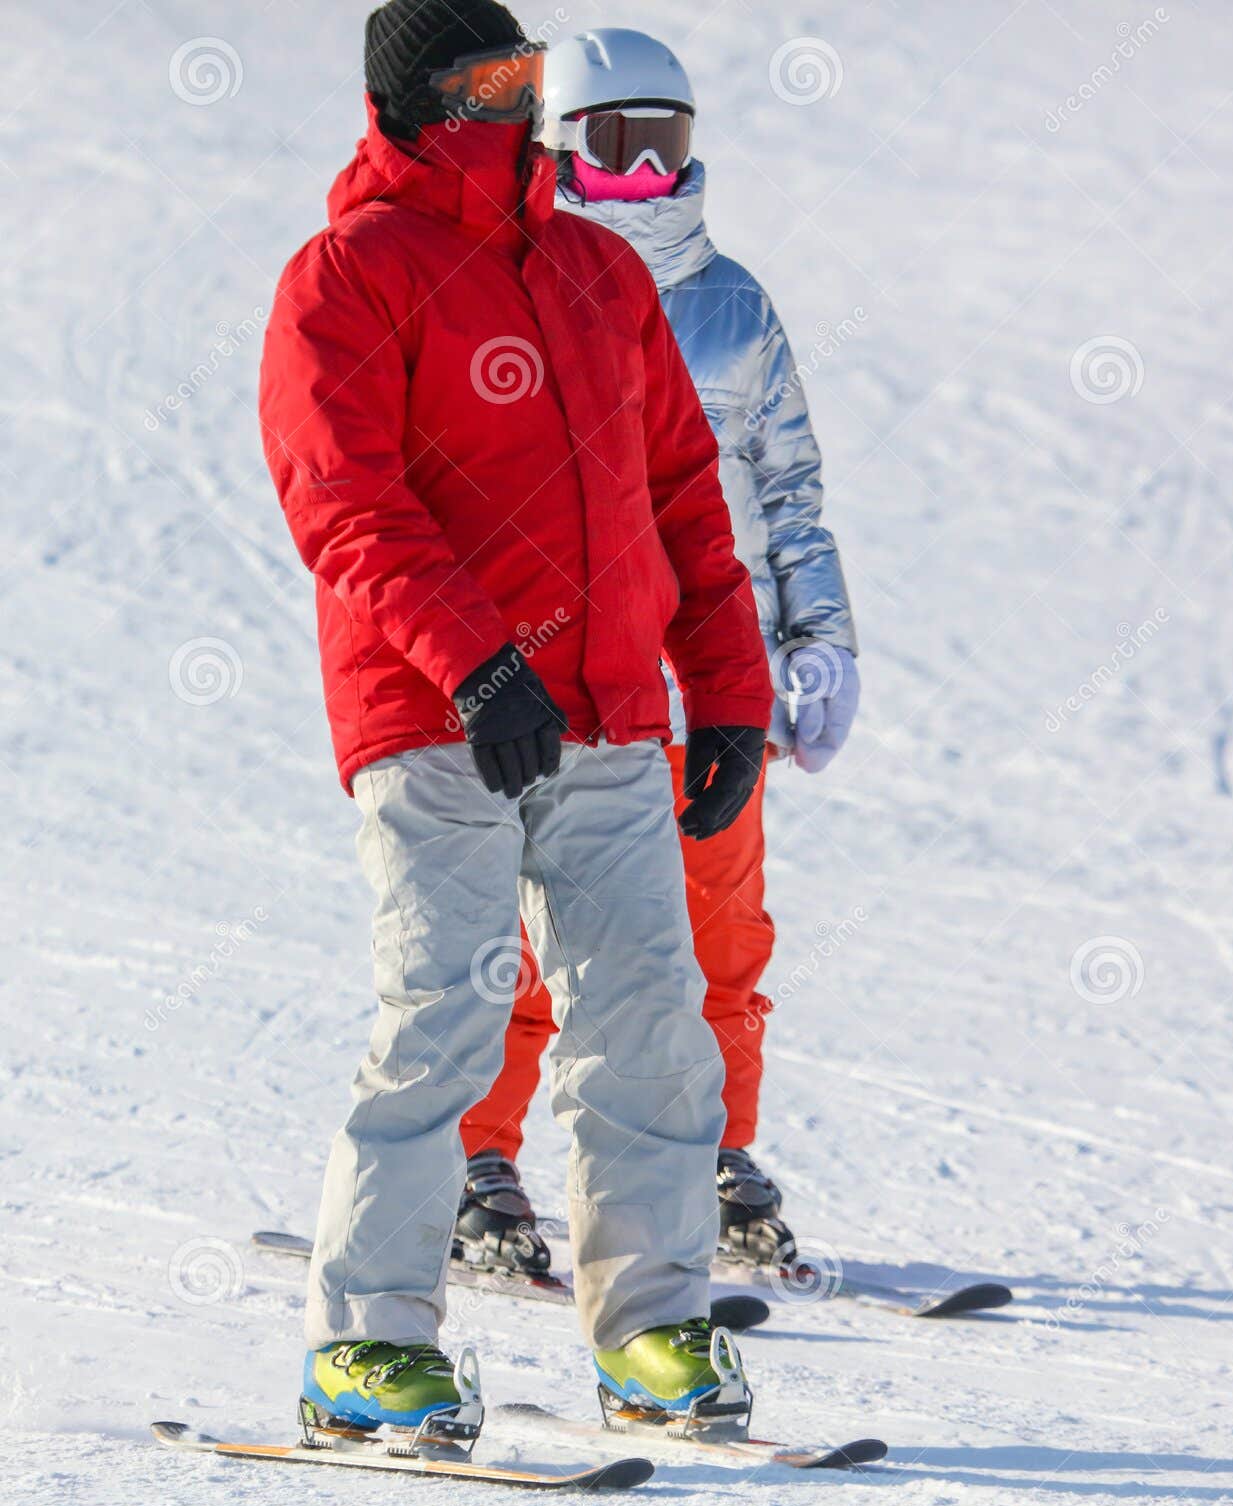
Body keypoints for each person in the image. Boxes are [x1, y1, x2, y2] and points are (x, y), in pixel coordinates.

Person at [258, 0, 773, 1431]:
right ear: (412, 101)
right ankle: (364, 1343)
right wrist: (476, 662)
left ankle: (654, 1332)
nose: (514, 102)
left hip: (606, 718)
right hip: (436, 720)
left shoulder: (599, 272)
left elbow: (682, 496)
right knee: (446, 1015)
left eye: (526, 78)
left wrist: (725, 688)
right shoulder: (347, 275)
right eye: (487, 80)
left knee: (644, 1021)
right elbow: (343, 502)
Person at [454, 28, 861, 1277]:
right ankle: (478, 1157)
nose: (640, 174)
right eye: (609, 148)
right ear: (554, 151)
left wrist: (818, 639)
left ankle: (717, 1157)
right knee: (531, 934)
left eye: (662, 146)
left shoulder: (730, 305)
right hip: (566, 679)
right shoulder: (514, 286)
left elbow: (787, 487)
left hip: (710, 680)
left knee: (719, 930)